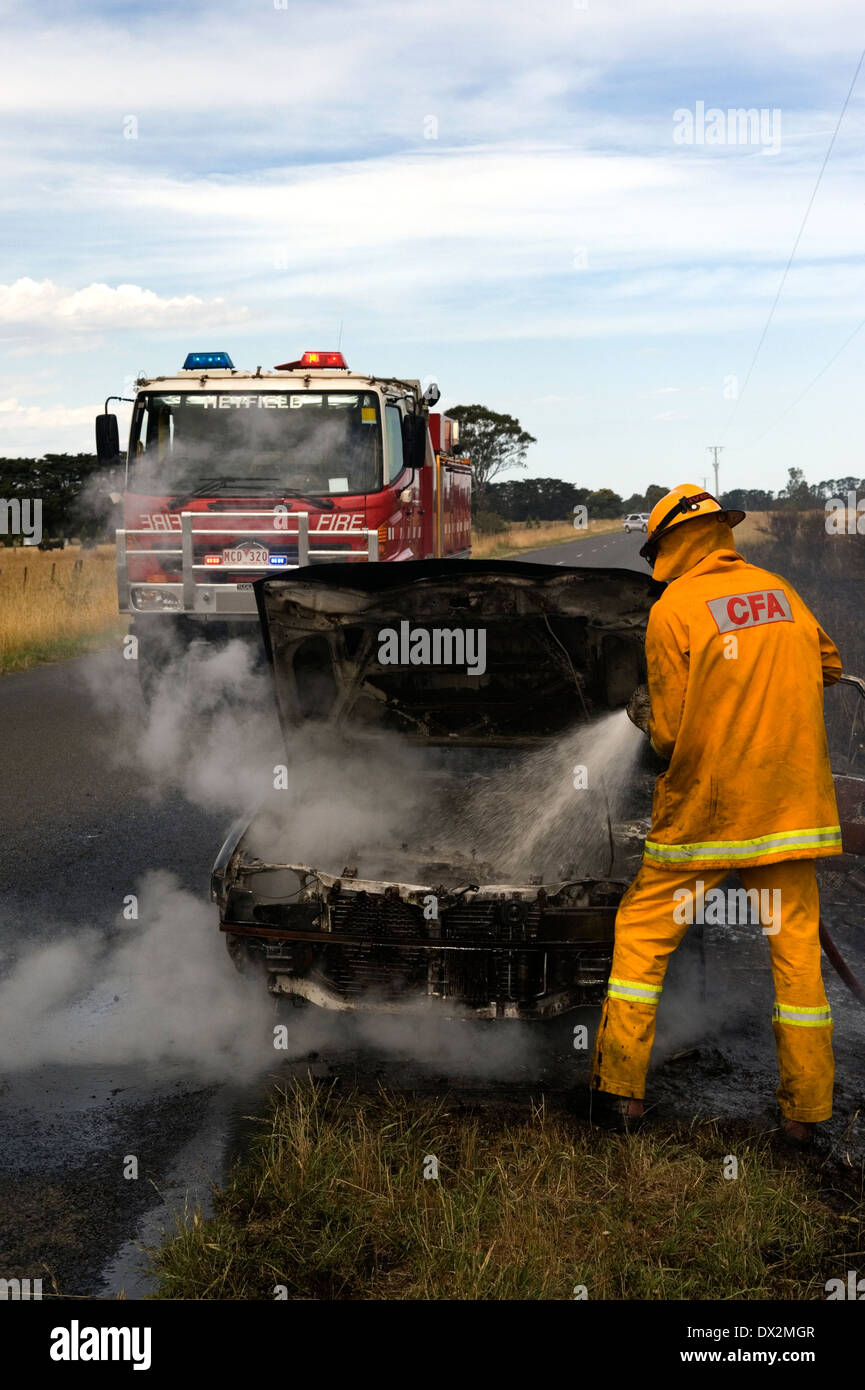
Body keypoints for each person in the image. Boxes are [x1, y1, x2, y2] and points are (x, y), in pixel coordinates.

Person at [590, 484, 842, 1143]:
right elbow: (829, 664)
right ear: (719, 534)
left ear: (669, 545)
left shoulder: (673, 607)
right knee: (795, 963)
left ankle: (619, 1098)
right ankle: (805, 1115)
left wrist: (649, 716)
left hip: (704, 813)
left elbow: (668, 733)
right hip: (788, 812)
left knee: (642, 942)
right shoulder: (780, 591)